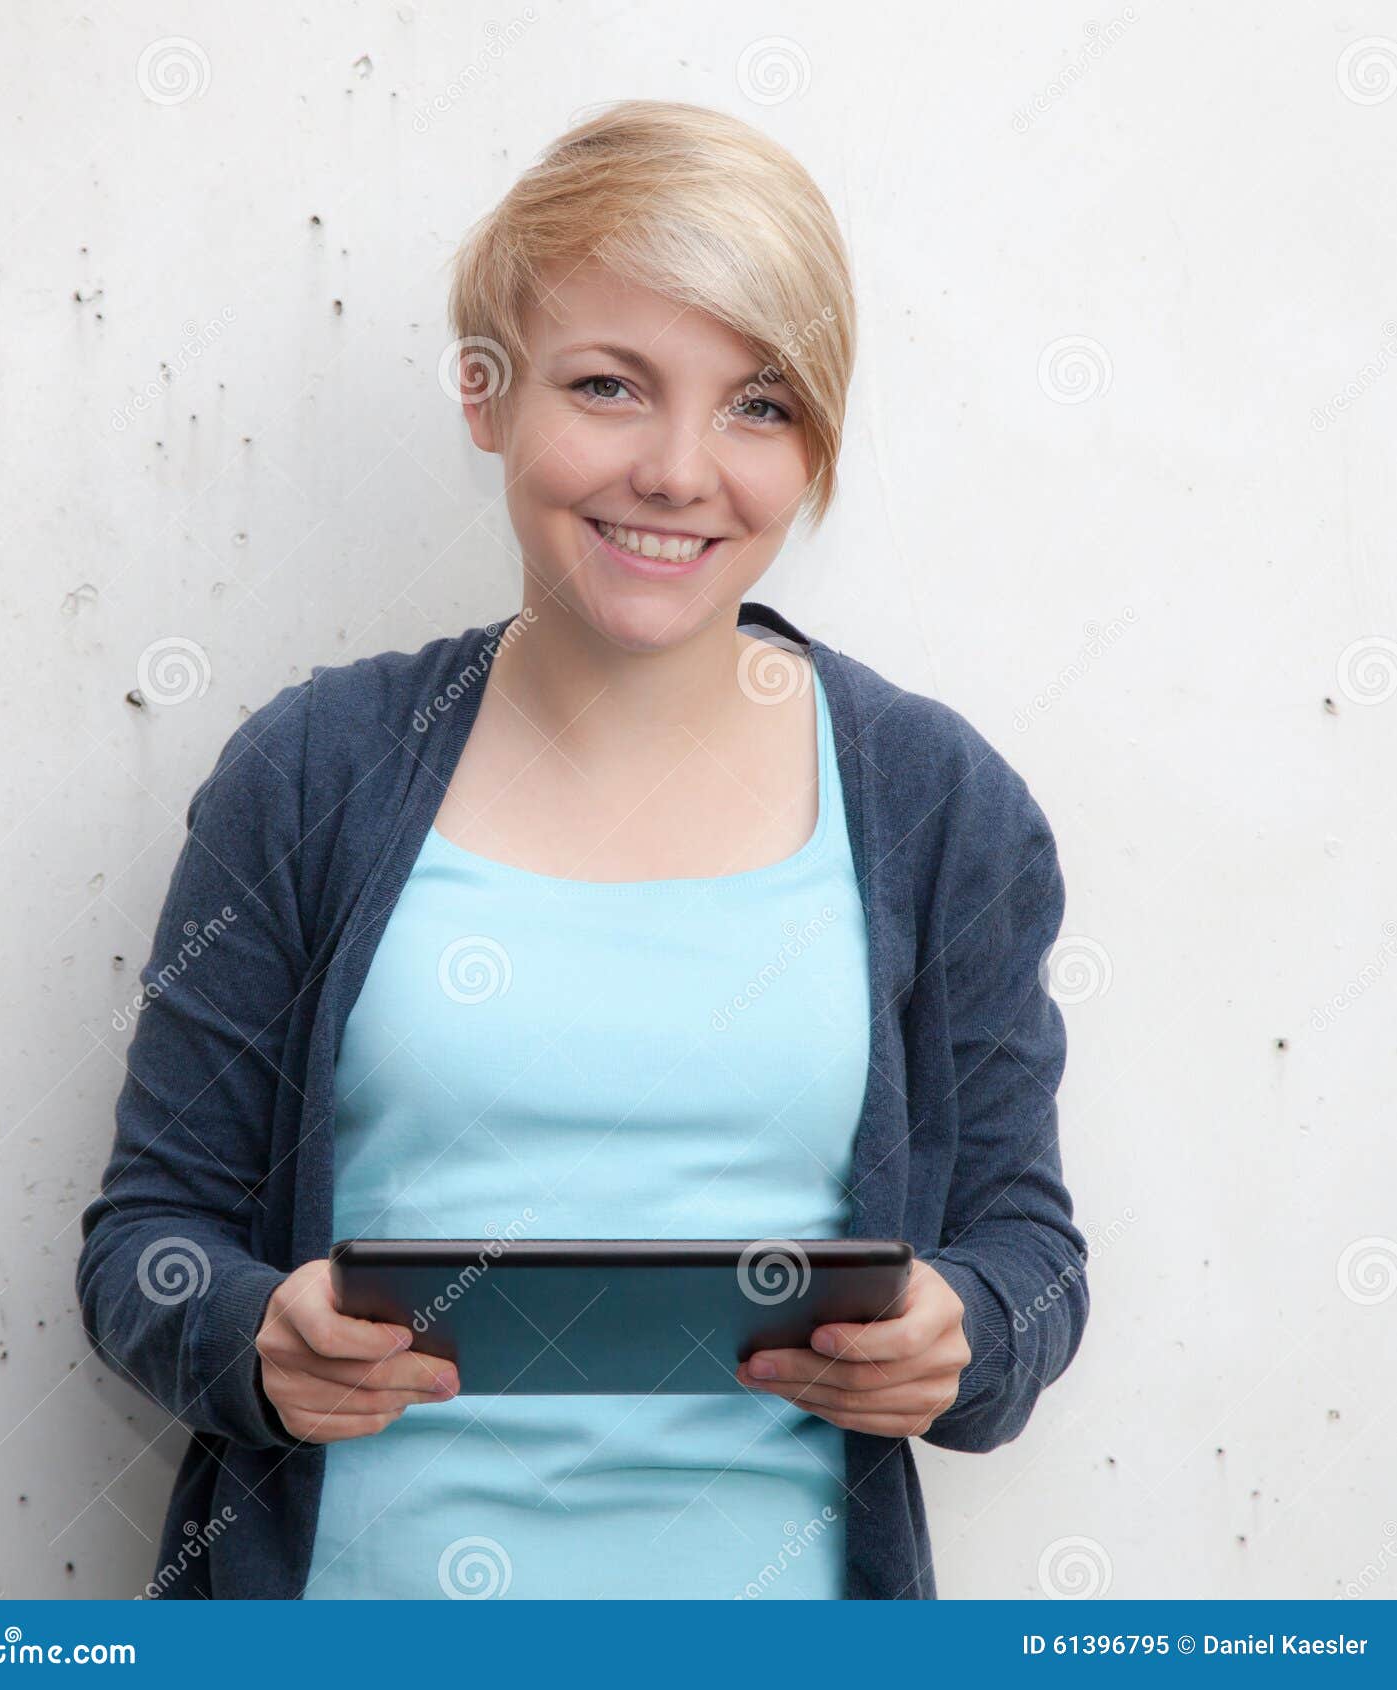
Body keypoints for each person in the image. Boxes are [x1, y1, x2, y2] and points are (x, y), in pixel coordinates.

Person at [76, 98, 1088, 1601]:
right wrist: (249, 1334)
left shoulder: (939, 804)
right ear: (485, 395)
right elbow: (145, 1243)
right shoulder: (310, 774)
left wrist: (969, 1329)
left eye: (759, 404)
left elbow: (1030, 1251)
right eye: (609, 385)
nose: (678, 470)